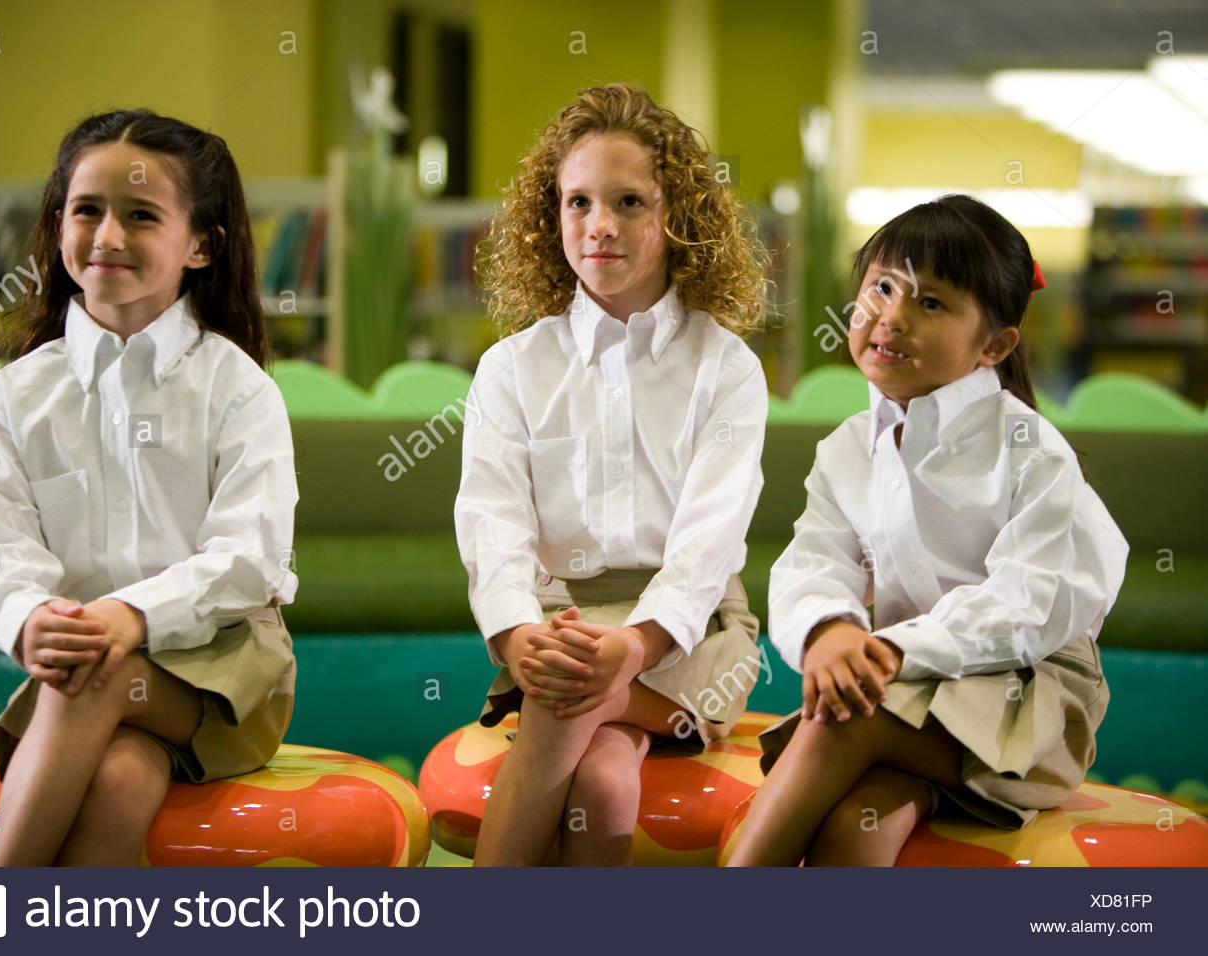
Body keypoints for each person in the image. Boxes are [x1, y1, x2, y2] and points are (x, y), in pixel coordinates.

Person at [727, 194, 1128, 866]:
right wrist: (829, 630)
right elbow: (813, 563)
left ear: (993, 345)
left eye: (931, 303)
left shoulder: (1031, 449)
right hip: (910, 693)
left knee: (843, 716)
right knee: (859, 822)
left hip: (1028, 696)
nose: (892, 317)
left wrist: (883, 651)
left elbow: (1025, 606)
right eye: (882, 287)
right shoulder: (848, 446)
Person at [0, 109, 298, 866]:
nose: (108, 237)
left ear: (201, 245)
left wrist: (127, 616)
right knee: (116, 783)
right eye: (87, 211)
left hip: (223, 673)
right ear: (57, 226)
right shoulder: (15, 395)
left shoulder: (237, 390)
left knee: (98, 672)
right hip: (81, 671)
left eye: (141, 216)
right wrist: (28, 617)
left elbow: (250, 559)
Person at [456, 83, 770, 866]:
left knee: (566, 709)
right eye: (578, 202)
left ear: (679, 217)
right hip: (558, 626)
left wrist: (635, 641)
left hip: (690, 633)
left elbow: (706, 547)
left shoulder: (726, 367)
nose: (600, 225)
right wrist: (516, 631)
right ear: (549, 216)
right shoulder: (511, 367)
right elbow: (491, 525)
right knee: (600, 781)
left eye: (631, 202)